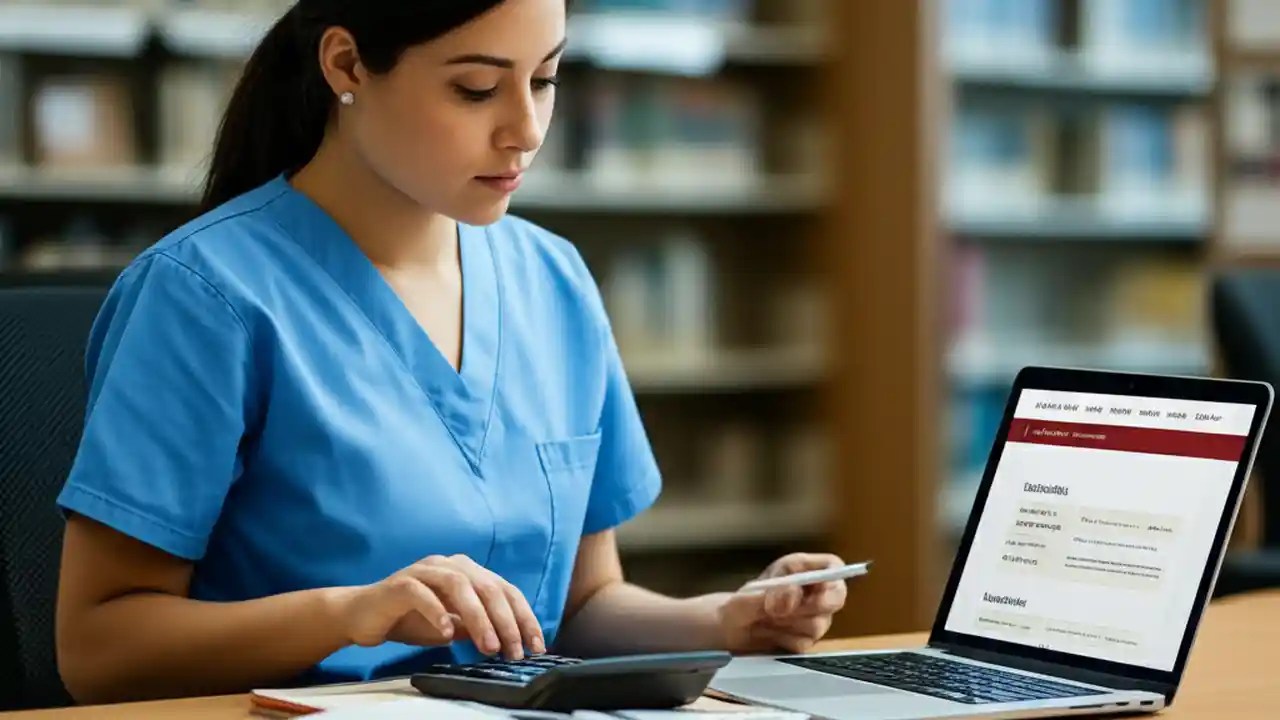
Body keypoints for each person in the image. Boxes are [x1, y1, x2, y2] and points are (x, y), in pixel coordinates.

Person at [53, 0, 848, 705]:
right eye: (476, 89)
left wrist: (726, 619)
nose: (526, 131)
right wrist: (351, 614)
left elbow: (578, 608)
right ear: (346, 64)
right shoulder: (205, 295)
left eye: (545, 80)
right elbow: (99, 652)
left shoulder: (554, 280)